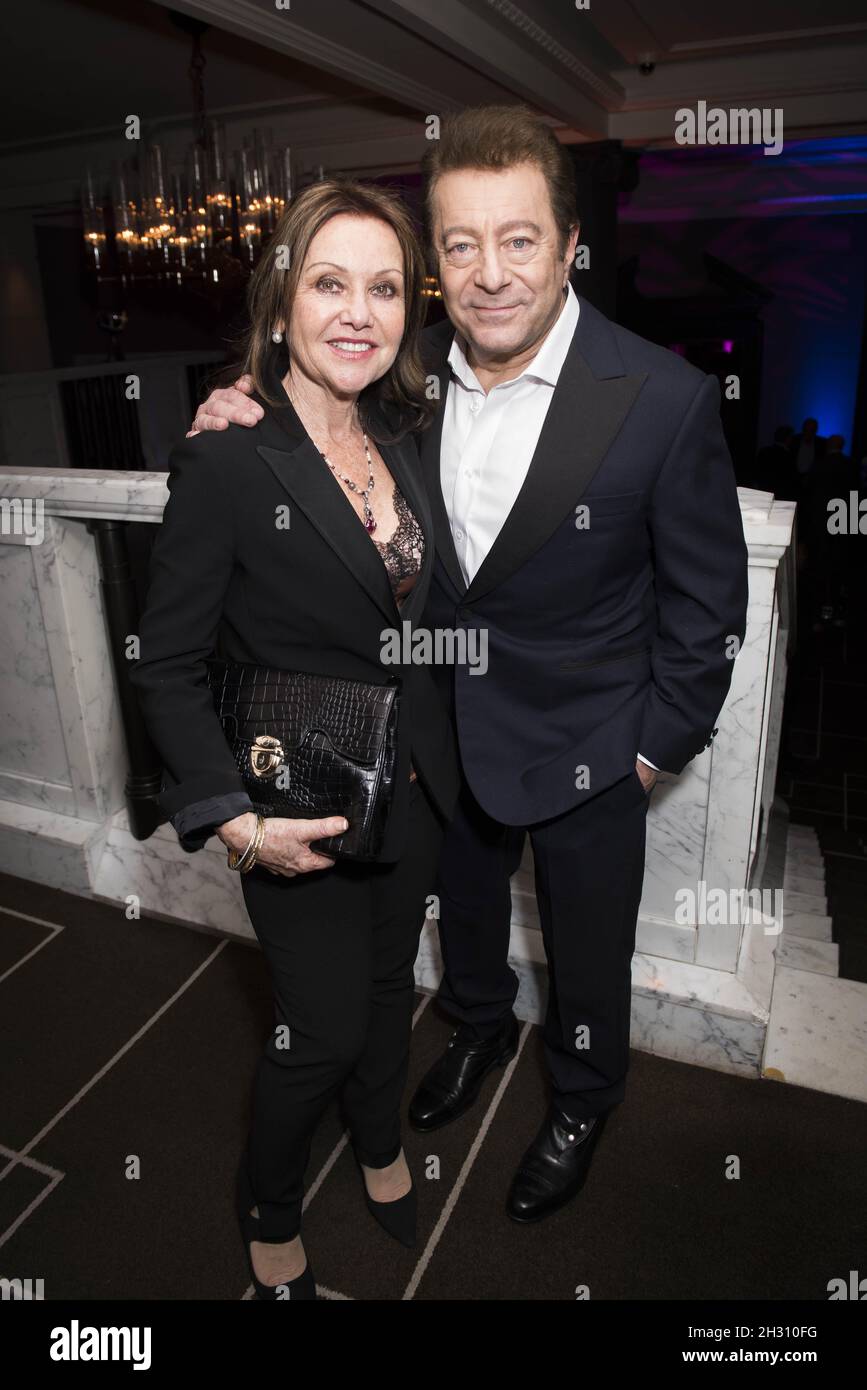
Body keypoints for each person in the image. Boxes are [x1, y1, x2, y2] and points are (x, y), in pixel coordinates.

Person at [189, 105, 749, 1225]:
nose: (489, 274)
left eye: (519, 239)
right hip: (443, 737)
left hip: (595, 749)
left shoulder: (663, 399)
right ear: (436, 260)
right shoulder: (406, 377)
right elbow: (305, 419)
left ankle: (584, 1097)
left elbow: (708, 609)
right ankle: (481, 1026)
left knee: (588, 958)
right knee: (470, 919)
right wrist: (228, 404)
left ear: (570, 244)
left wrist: (647, 754)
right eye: (458, 244)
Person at [130, 179, 459, 1298]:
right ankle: (269, 1210)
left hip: (406, 790)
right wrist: (233, 823)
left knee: (384, 993)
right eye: (329, 283)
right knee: (312, 1033)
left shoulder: (406, 430)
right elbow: (166, 666)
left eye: (382, 287)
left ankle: (376, 1145)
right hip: (291, 810)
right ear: (281, 306)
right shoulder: (228, 460)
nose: (358, 312)